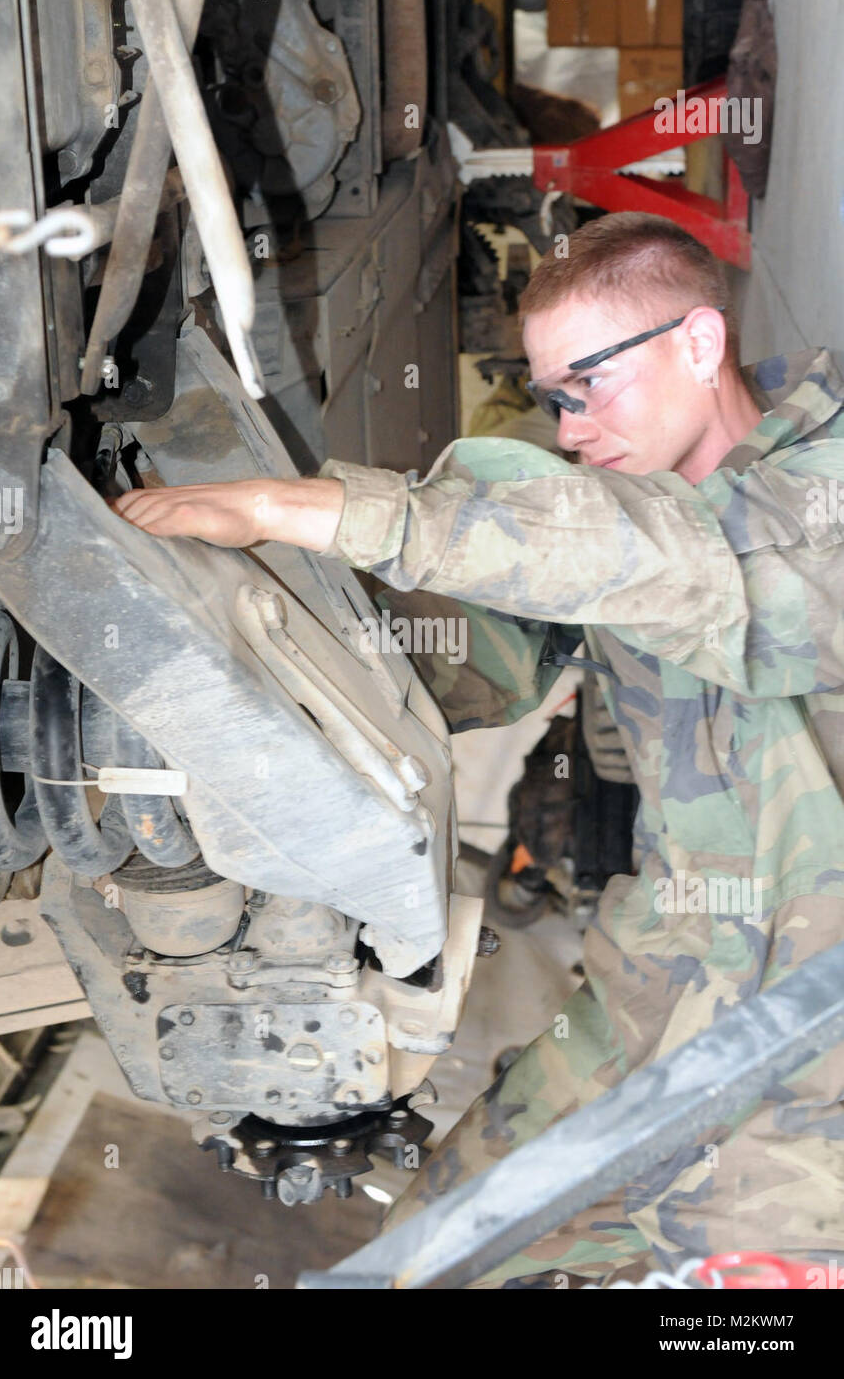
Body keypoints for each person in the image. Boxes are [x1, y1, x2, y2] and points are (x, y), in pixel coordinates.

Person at [114, 213, 844, 1285]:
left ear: (696, 344)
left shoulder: (808, 490)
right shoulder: (626, 507)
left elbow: (676, 564)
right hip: (661, 987)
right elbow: (473, 656)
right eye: (550, 396)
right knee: (424, 1259)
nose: (568, 426)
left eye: (586, 384)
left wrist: (310, 508)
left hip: (810, 1029)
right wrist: (269, 663)